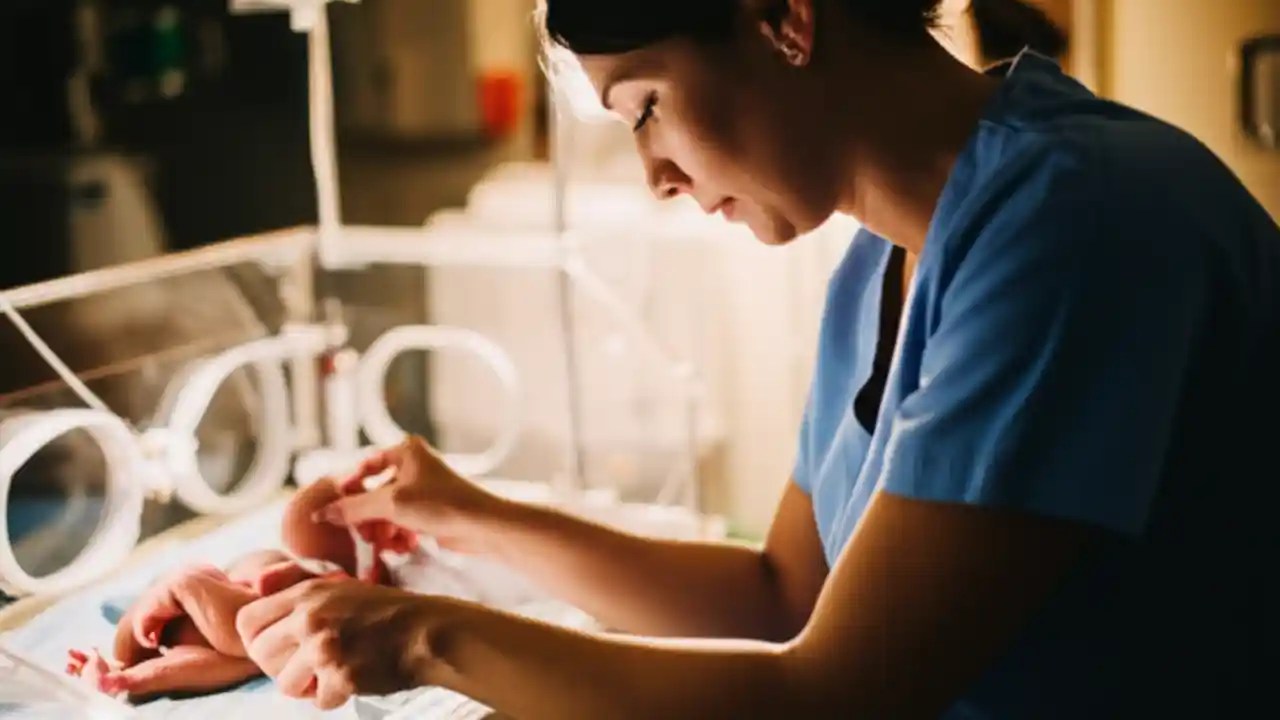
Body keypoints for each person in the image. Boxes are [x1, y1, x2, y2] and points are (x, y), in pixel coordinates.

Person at [235, 0, 1279, 717]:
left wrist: (421, 639)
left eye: (645, 108)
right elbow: (785, 591)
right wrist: (464, 517)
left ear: (782, 17)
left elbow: (838, 696)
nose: (654, 177)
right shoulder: (880, 264)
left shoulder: (1073, 219)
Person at [66, 478, 415, 700]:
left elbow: (269, 583)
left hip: (224, 623)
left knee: (234, 658)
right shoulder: (327, 575)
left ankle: (124, 675)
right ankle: (127, 675)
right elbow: (270, 579)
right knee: (238, 658)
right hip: (226, 624)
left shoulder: (338, 582)